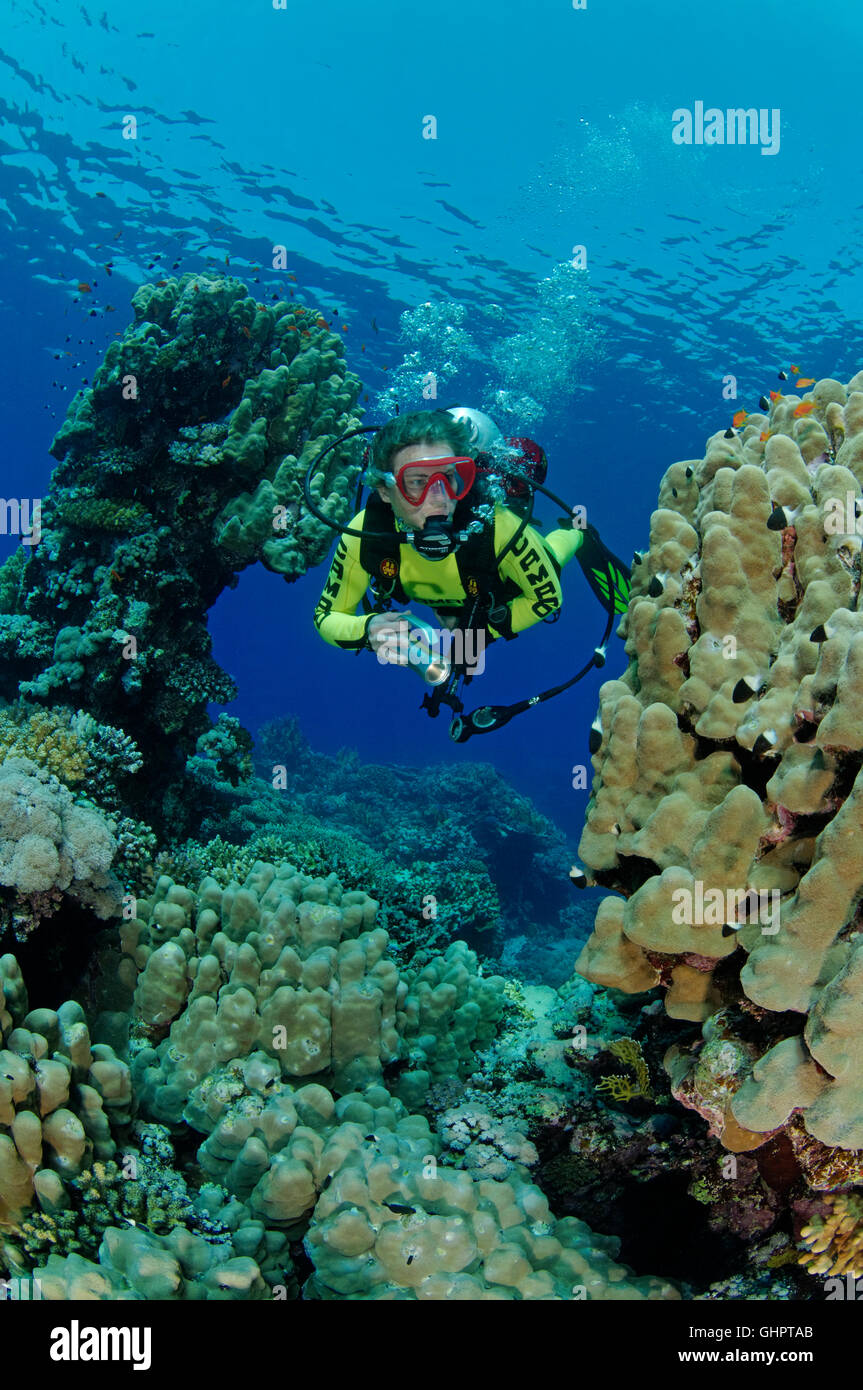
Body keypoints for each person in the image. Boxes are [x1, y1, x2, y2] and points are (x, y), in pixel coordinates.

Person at [313, 408, 588, 669]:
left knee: (553, 552)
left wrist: (481, 631)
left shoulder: (497, 526)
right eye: (417, 482)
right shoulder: (365, 533)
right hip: (456, 592)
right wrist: (366, 630)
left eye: (448, 477)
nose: (440, 499)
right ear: (385, 490)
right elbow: (326, 617)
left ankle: (578, 530)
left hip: (487, 585)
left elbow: (547, 599)